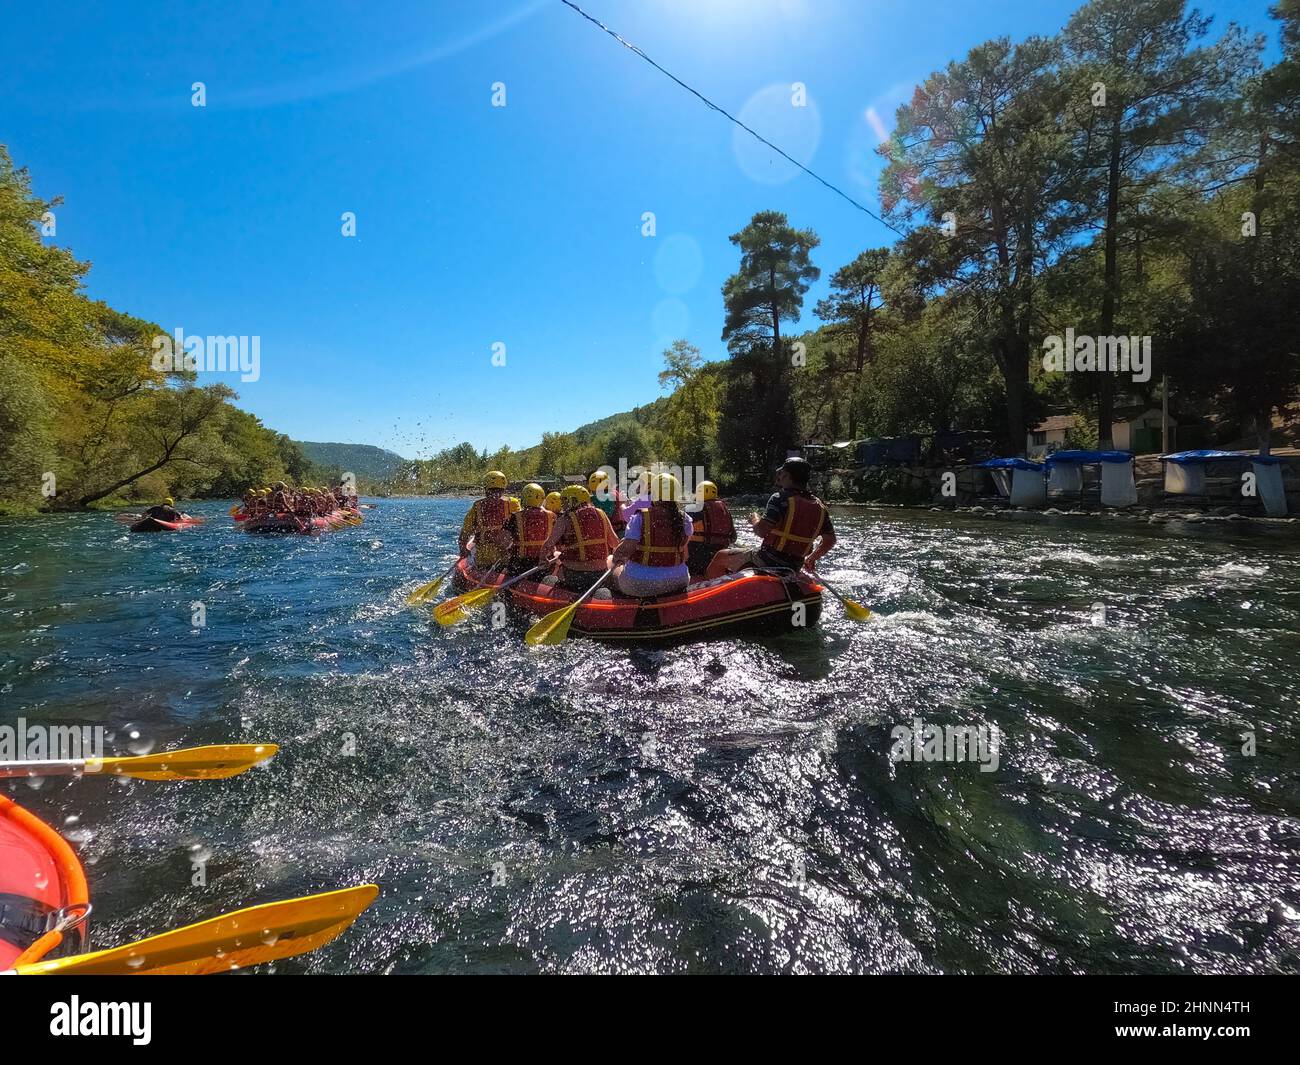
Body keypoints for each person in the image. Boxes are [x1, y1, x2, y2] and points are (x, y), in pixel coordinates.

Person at [705, 457, 836, 579]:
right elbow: (830, 540)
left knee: (720, 556)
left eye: (782, 473)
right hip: (795, 565)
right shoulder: (820, 507)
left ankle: (708, 593)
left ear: (786, 475)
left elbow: (761, 531)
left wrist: (755, 519)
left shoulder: (780, 498)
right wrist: (812, 558)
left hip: (767, 560)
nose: (780, 476)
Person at [611, 473, 693, 598]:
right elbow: (685, 553)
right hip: (679, 581)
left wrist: (617, 558)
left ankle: (609, 599)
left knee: (612, 564)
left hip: (641, 584)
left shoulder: (640, 517)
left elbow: (624, 551)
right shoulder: (685, 519)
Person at [540, 484, 619, 594]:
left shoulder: (565, 519)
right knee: (610, 557)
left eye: (565, 501)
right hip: (599, 574)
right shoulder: (601, 514)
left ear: (574, 500)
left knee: (557, 564)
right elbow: (615, 543)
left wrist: (543, 560)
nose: (563, 504)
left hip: (573, 575)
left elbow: (548, 545)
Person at [459, 471, 519, 571]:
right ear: (503, 488)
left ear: (486, 488)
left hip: (484, 559)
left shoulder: (477, 506)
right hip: (506, 559)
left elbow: (464, 533)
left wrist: (463, 551)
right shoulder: (513, 503)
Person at [685, 480, 736, 578]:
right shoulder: (725, 511)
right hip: (718, 559)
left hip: (697, 560)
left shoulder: (693, 509)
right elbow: (733, 538)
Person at [503, 482, 556, 577]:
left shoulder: (515, 517)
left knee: (506, 570)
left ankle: (509, 590)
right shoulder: (551, 516)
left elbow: (502, 541)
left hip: (521, 563)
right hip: (544, 561)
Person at [588, 469, 627, 534]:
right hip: (622, 531)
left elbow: (605, 516)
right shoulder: (614, 493)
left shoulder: (608, 497)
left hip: (616, 533)